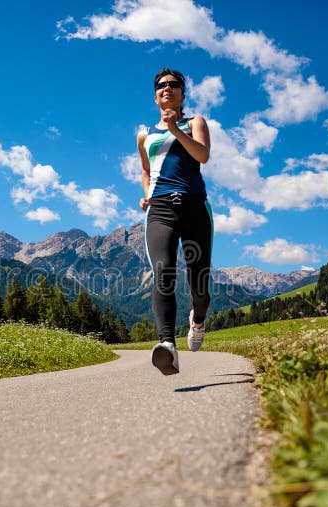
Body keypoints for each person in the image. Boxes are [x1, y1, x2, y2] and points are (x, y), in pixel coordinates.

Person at [137, 67, 213, 375]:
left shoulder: (194, 122)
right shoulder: (145, 135)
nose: (167, 88)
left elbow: (202, 155)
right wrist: (147, 194)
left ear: (182, 93)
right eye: (161, 85)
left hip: (195, 208)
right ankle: (167, 344)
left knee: (199, 283)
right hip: (160, 210)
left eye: (174, 84)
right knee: (163, 270)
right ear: (155, 96)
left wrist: (176, 130)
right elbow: (146, 170)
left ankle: (197, 321)